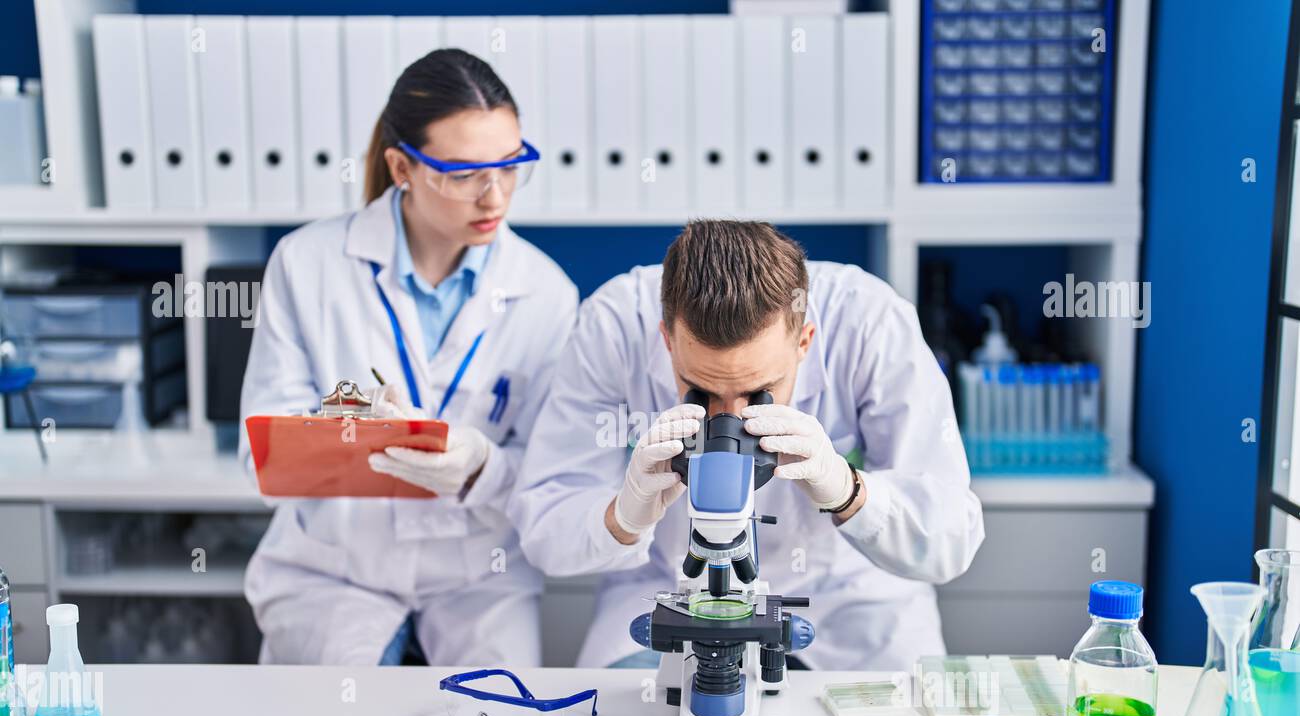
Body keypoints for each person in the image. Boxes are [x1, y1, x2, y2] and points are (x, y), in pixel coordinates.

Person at [511, 220, 984, 670]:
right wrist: (623, 517)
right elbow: (544, 528)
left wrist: (848, 492)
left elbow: (950, 540)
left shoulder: (870, 322)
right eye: (702, 390)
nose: (731, 421)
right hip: (671, 588)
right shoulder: (614, 326)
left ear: (805, 342)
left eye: (760, 392)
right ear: (666, 340)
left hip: (849, 597)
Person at [239, 50, 577, 666]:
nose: (493, 194)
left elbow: (552, 470)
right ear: (402, 167)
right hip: (337, 570)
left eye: (510, 166)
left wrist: (480, 465)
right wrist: (340, 430)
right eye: (464, 173)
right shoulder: (307, 263)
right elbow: (259, 453)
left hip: (481, 577)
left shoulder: (546, 291)